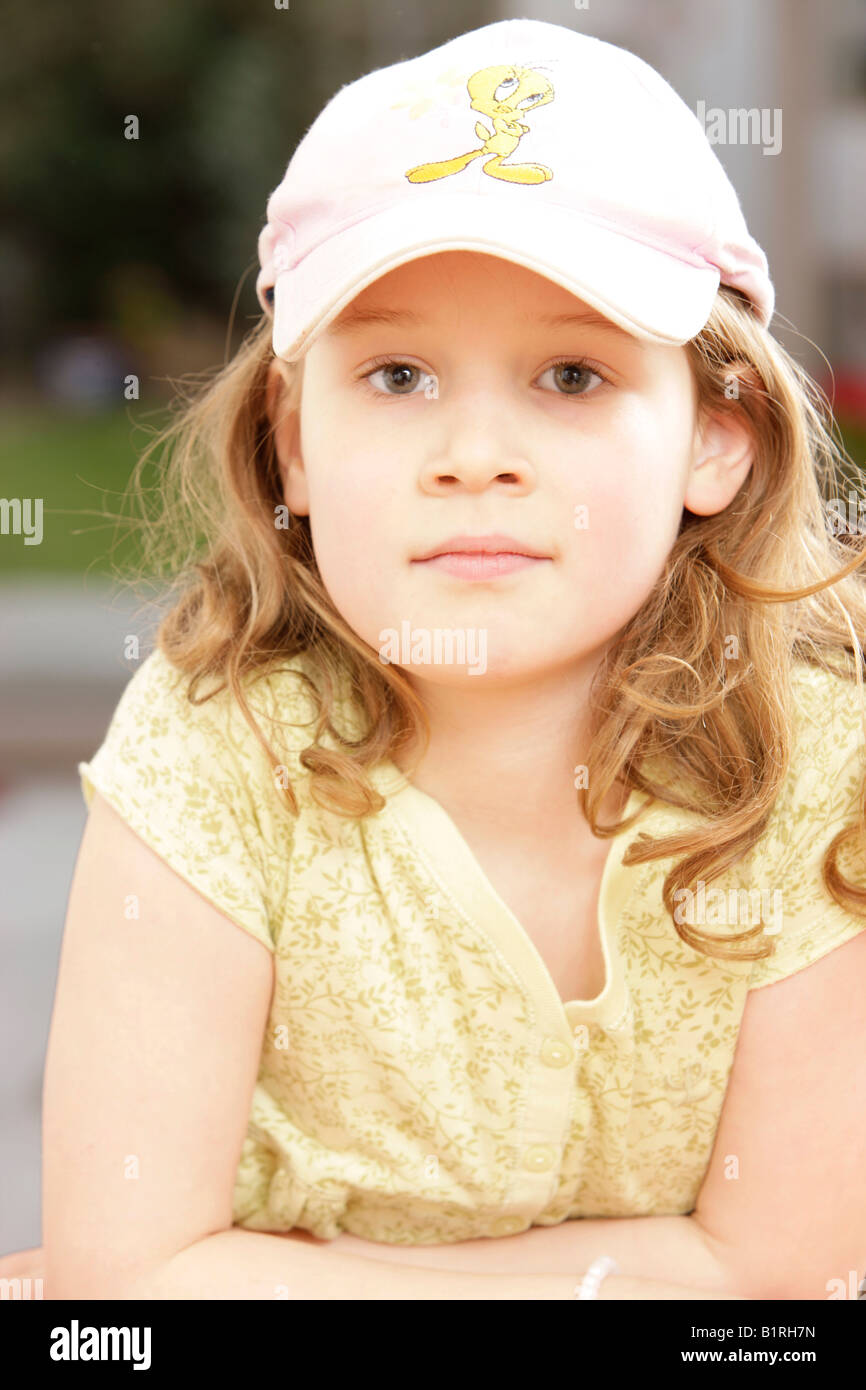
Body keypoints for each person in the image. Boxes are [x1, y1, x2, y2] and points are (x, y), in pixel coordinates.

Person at [31, 17, 866, 1301]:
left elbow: (775, 1269)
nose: (474, 452)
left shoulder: (818, 762)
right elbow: (127, 1272)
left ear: (716, 436)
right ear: (293, 441)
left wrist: (306, 1275)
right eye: (399, 372)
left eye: (572, 374)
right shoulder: (215, 746)